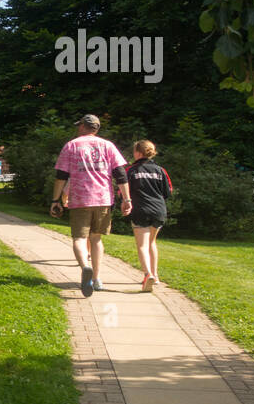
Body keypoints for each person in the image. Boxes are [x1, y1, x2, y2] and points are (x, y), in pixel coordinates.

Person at [50, 114, 131, 297]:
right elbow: (120, 175)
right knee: (96, 239)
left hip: (80, 199)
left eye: (79, 125)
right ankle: (96, 278)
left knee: (79, 238)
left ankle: (85, 266)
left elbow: (61, 176)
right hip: (103, 199)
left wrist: (56, 200)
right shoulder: (108, 146)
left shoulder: (71, 145)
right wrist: (127, 199)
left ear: (82, 127)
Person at [126, 139, 173, 291]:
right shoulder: (160, 170)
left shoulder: (131, 170)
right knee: (152, 243)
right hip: (159, 210)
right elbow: (167, 192)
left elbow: (124, 191)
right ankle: (156, 275)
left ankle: (148, 274)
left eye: (134, 151)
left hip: (140, 210)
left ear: (138, 153)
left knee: (142, 245)